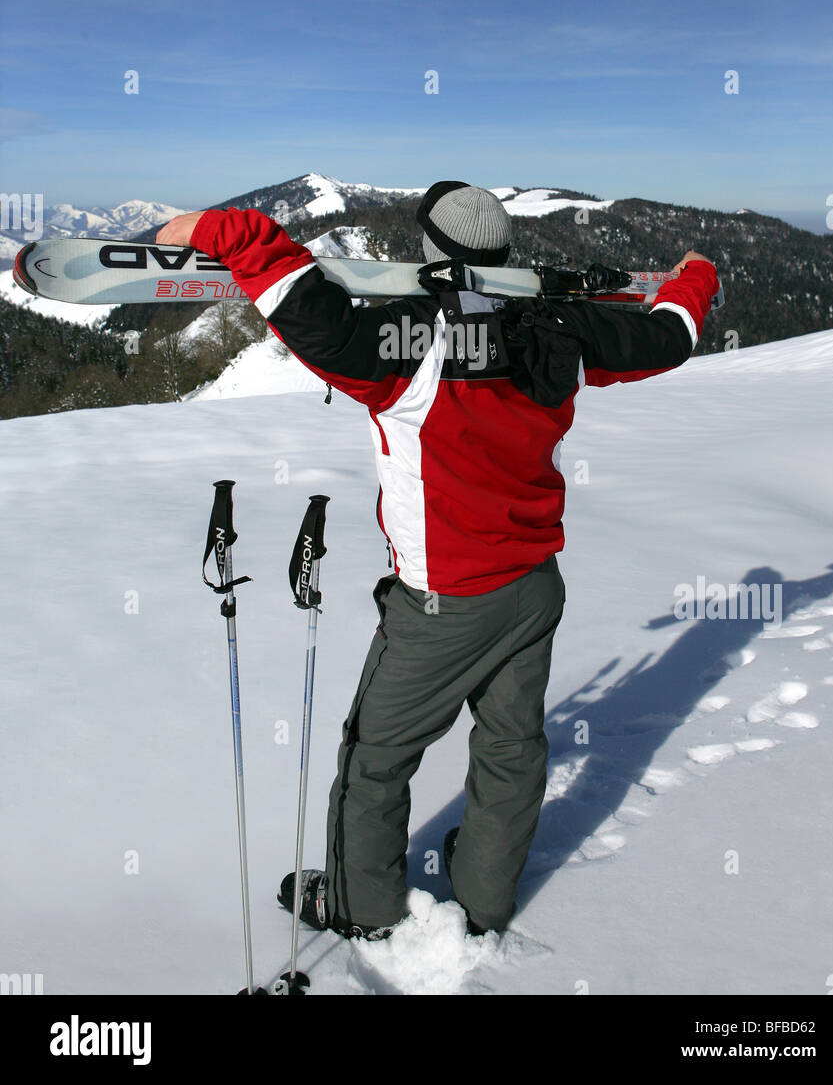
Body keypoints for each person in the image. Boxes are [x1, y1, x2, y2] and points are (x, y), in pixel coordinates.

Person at [157, 182, 718, 941]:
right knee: (511, 748)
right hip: (533, 587)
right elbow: (669, 336)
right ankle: (484, 899)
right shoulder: (563, 331)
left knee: (375, 759)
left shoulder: (404, 344)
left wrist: (232, 231)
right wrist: (697, 273)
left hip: (442, 601)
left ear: (432, 253)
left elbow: (306, 309)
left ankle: (360, 905)